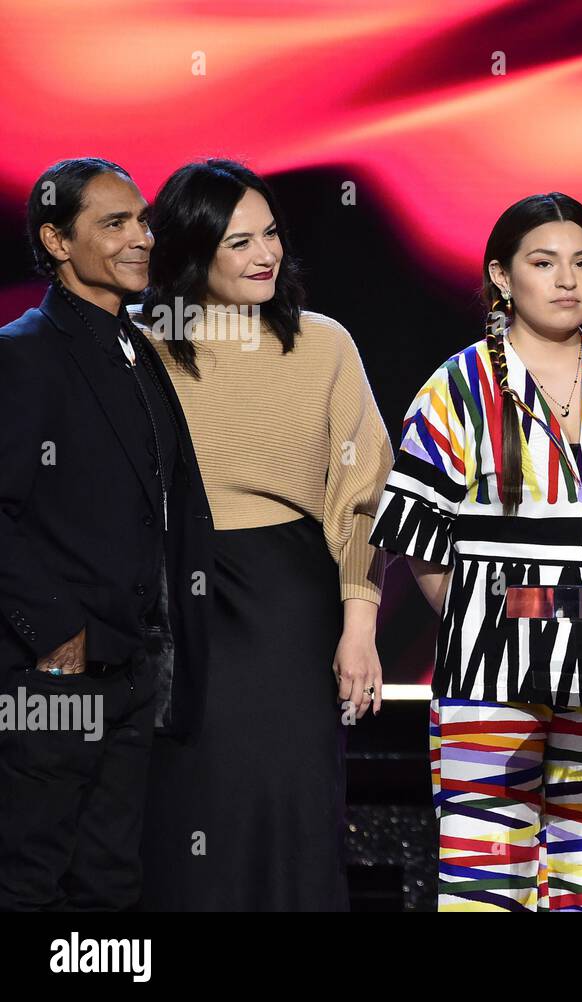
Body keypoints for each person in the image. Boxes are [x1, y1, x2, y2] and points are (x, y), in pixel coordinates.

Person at [135, 160, 392, 911]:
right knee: (188, 810)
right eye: (239, 240)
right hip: (177, 603)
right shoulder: (144, 347)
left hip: (290, 603)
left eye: (272, 233)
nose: (265, 254)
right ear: (190, 251)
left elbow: (362, 498)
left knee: (294, 806)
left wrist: (359, 625)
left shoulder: (325, 344)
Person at [369, 193, 582, 911]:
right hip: (491, 669)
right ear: (501, 276)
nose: (567, 280)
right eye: (544, 263)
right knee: (489, 877)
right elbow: (420, 540)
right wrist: (481, 625)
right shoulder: (455, 386)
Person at [0, 158, 212, 910]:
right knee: (29, 876)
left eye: (143, 221)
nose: (142, 239)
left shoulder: (139, 351)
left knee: (112, 883)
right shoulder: (21, 354)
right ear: (57, 242)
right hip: (49, 677)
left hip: (131, 671)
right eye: (115, 223)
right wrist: (56, 635)